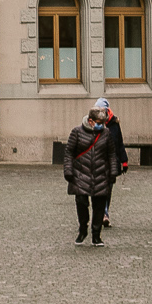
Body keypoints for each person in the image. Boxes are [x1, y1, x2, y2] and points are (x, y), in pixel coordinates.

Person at [65, 99, 119, 245]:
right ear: (90, 121)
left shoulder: (106, 134)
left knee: (99, 206)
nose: (102, 125)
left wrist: (113, 172)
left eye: (103, 122)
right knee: (81, 203)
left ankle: (96, 235)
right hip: (80, 174)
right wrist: (68, 171)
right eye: (99, 122)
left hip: (101, 174)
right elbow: (69, 153)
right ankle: (83, 229)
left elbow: (111, 154)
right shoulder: (77, 132)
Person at [98, 99, 128, 228]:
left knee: (108, 189)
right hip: (98, 161)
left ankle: (104, 213)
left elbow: (119, 143)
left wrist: (124, 161)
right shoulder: (93, 123)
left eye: (102, 110)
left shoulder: (114, 124)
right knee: (100, 189)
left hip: (112, 162)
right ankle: (102, 214)